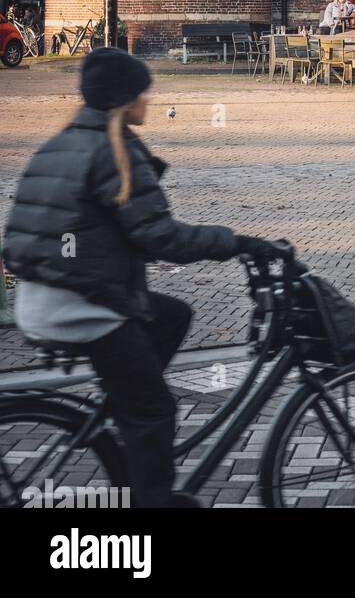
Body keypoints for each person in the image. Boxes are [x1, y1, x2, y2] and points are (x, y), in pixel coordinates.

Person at [3, 48, 282, 508]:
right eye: (142, 92)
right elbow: (162, 238)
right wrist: (239, 242)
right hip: (81, 308)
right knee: (154, 410)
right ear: (124, 98)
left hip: (41, 299)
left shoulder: (61, 142)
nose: (149, 100)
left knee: (172, 315)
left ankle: (122, 402)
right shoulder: (114, 150)